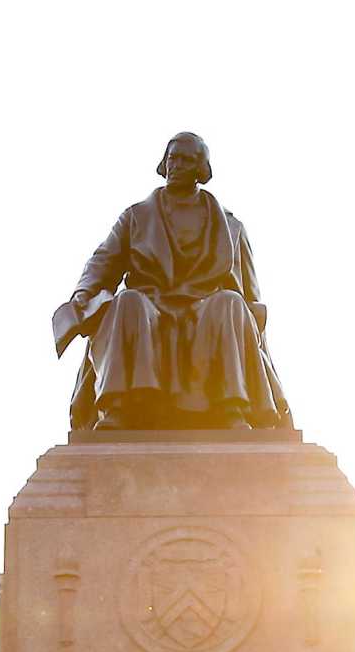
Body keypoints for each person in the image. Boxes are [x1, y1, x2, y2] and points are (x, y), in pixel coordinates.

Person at [58, 131, 292, 430]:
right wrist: (82, 296)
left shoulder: (232, 227)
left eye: (185, 159)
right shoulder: (136, 217)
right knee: (126, 301)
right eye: (171, 158)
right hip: (150, 307)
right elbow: (101, 262)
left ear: (200, 169)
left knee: (231, 303)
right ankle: (119, 410)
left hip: (207, 309)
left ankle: (233, 408)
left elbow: (250, 296)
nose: (175, 165)